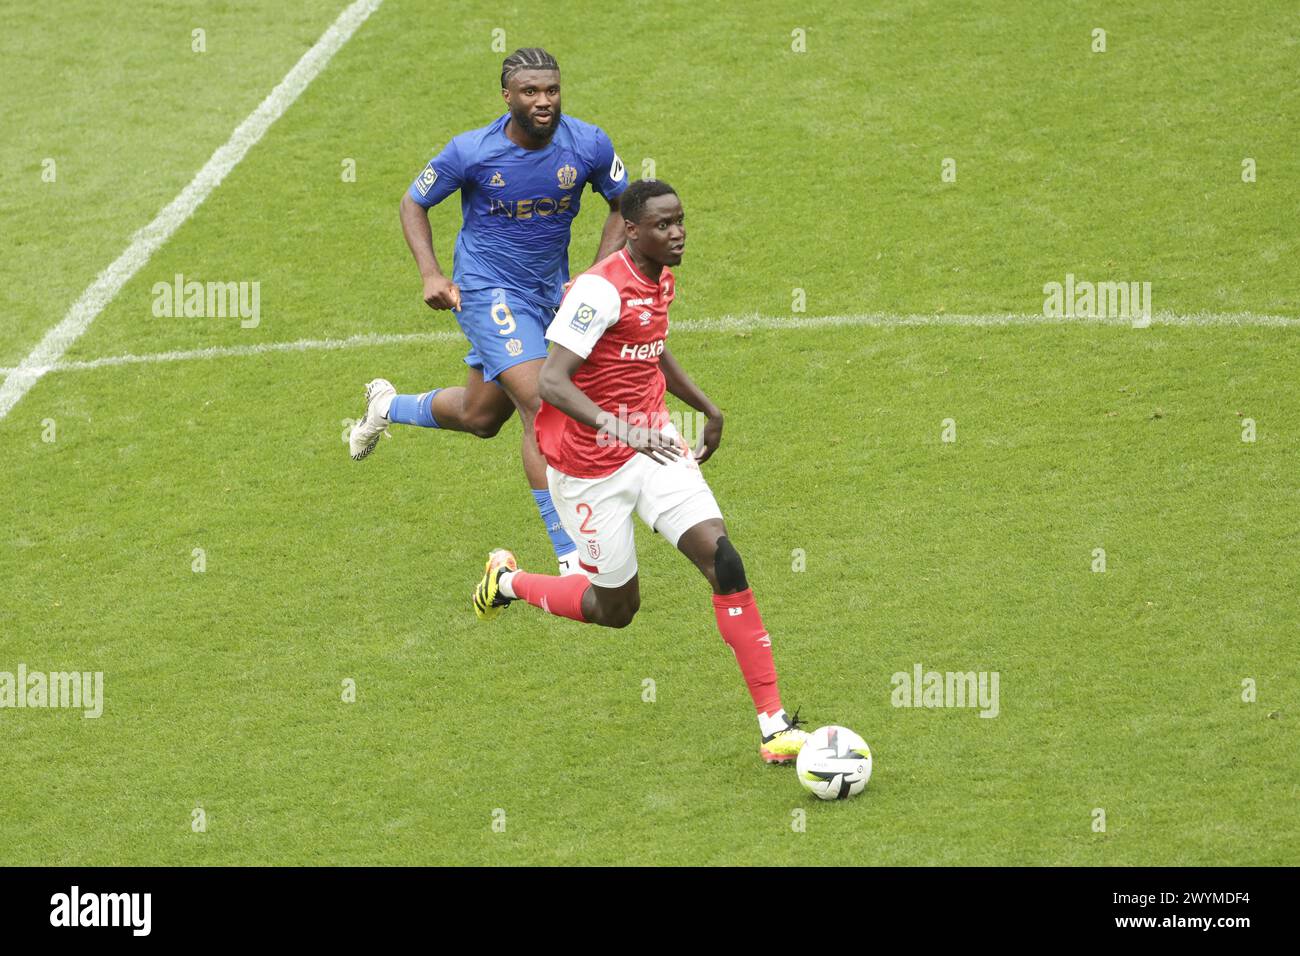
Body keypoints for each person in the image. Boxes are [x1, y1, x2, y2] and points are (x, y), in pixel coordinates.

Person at [471, 179, 807, 764]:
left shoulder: (660, 277)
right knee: (616, 610)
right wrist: (620, 428)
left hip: (654, 446)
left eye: (680, 221)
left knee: (723, 559)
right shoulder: (598, 292)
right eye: (663, 225)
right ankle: (507, 584)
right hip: (588, 468)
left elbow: (651, 344)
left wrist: (706, 404)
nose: (676, 234)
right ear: (632, 231)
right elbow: (551, 381)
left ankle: (774, 726)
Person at [349, 47, 628, 574]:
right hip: (487, 290)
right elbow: (414, 202)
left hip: (550, 294)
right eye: (530, 92)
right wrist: (431, 273)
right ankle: (571, 555)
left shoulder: (589, 143)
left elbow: (623, 203)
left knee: (481, 418)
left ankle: (386, 407)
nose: (544, 102)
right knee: (544, 406)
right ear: (507, 96)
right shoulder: (471, 152)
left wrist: (594, 275)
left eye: (551, 90)